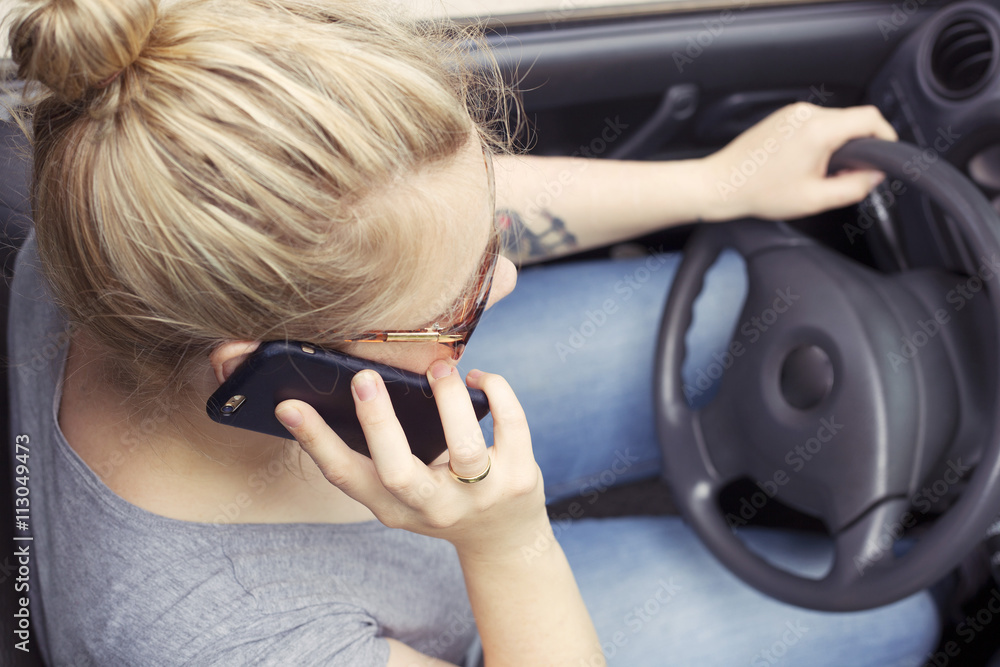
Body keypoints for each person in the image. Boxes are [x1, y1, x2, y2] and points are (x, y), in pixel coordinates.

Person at [4, 0, 941, 664]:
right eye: (459, 303)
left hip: (403, 470)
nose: (509, 277)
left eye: (486, 233)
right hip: (484, 601)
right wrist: (509, 546)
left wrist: (718, 185)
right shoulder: (221, 639)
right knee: (898, 614)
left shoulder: (128, 193)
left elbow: (400, 214)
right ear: (275, 370)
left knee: (740, 300)